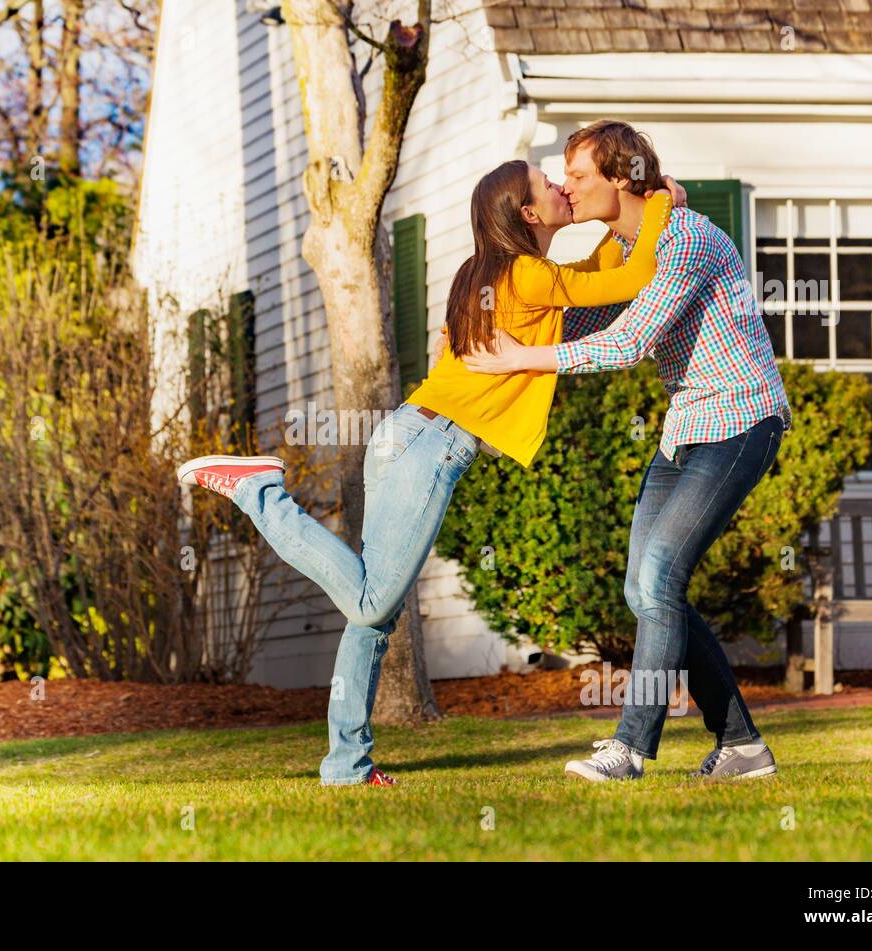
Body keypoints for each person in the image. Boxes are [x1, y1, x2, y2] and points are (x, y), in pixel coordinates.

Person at [178, 159, 675, 786]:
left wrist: (622, 218)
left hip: (408, 434)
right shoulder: (524, 273)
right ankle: (257, 489)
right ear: (527, 214)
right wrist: (658, 202)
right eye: (546, 185)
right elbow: (632, 276)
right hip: (430, 445)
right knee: (371, 600)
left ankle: (346, 766)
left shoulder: (496, 273)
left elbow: (598, 271)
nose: (558, 185)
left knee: (373, 617)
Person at [464, 120, 791, 783]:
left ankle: (631, 748)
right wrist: (501, 312)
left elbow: (626, 343)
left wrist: (524, 355)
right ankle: (741, 744)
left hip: (740, 421)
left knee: (659, 574)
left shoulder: (686, 241)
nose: (567, 186)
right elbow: (583, 314)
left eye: (579, 175)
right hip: (685, 429)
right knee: (648, 586)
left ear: (622, 177)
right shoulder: (628, 244)